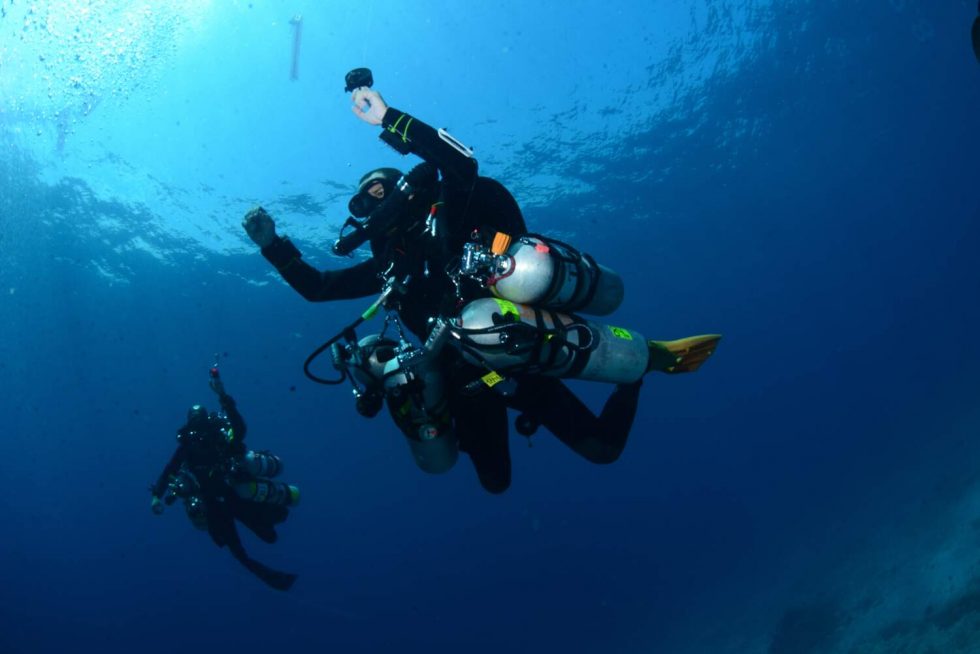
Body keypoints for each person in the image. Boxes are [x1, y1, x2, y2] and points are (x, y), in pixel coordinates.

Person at [243, 86, 719, 494]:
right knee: (495, 482)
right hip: (463, 379)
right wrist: (272, 245)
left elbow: (460, 165)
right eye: (363, 200)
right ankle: (625, 366)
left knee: (602, 448)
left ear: (406, 190)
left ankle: (633, 368)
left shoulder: (451, 212)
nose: (371, 202)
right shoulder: (387, 267)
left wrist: (389, 117)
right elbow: (318, 287)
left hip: (521, 346)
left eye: (380, 191)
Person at [150, 368, 300, 590]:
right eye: (195, 426)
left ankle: (270, 573)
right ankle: (270, 577)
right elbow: (169, 471)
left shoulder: (219, 438)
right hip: (215, 502)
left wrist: (223, 397)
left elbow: (239, 429)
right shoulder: (188, 448)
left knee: (267, 535)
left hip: (232, 493)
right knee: (237, 547)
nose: (199, 433)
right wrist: (156, 495)